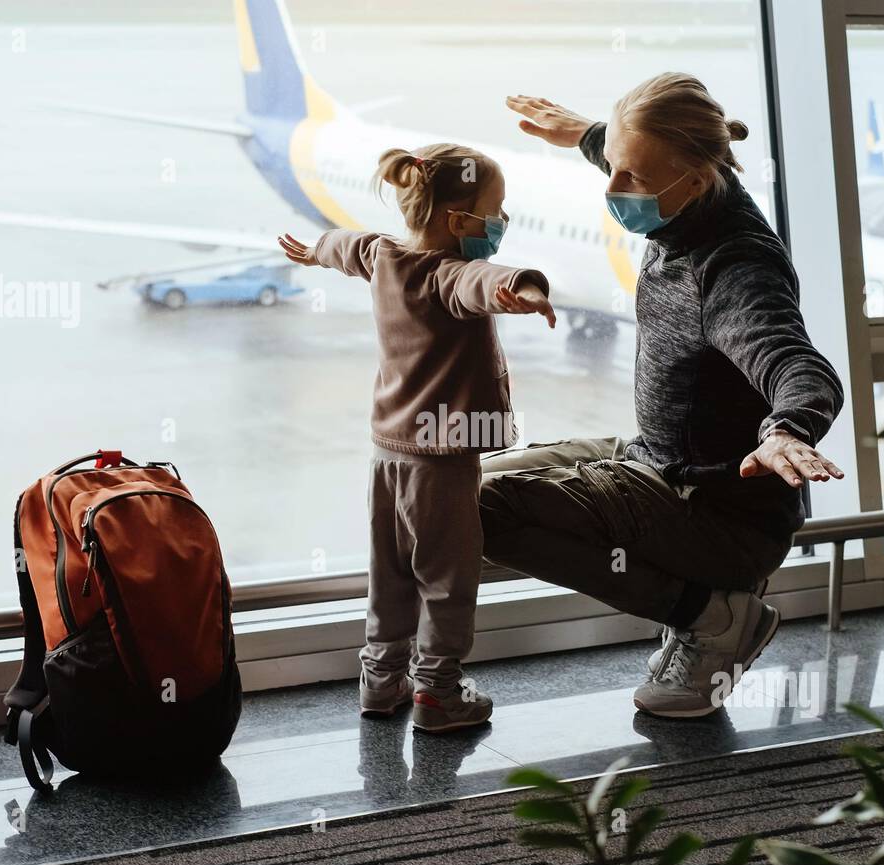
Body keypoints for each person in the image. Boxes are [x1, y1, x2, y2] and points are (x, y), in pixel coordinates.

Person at [481, 73, 846, 718]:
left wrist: (790, 427)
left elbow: (792, 358)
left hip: (717, 508)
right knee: (454, 480)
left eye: (632, 180)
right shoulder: (698, 182)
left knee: (482, 509)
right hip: (661, 456)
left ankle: (713, 616)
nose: (613, 190)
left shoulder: (735, 266)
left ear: (696, 180)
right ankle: (704, 602)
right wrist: (586, 135)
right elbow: (641, 154)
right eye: (614, 167)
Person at [279, 143, 555, 733]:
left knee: (391, 570)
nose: (502, 222)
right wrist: (523, 287)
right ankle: (437, 692)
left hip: (386, 451)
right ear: (459, 221)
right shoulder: (447, 273)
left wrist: (315, 251)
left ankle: (381, 682)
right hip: (442, 457)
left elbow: (344, 243)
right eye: (496, 210)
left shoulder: (383, 256)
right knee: (447, 577)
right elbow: (481, 281)